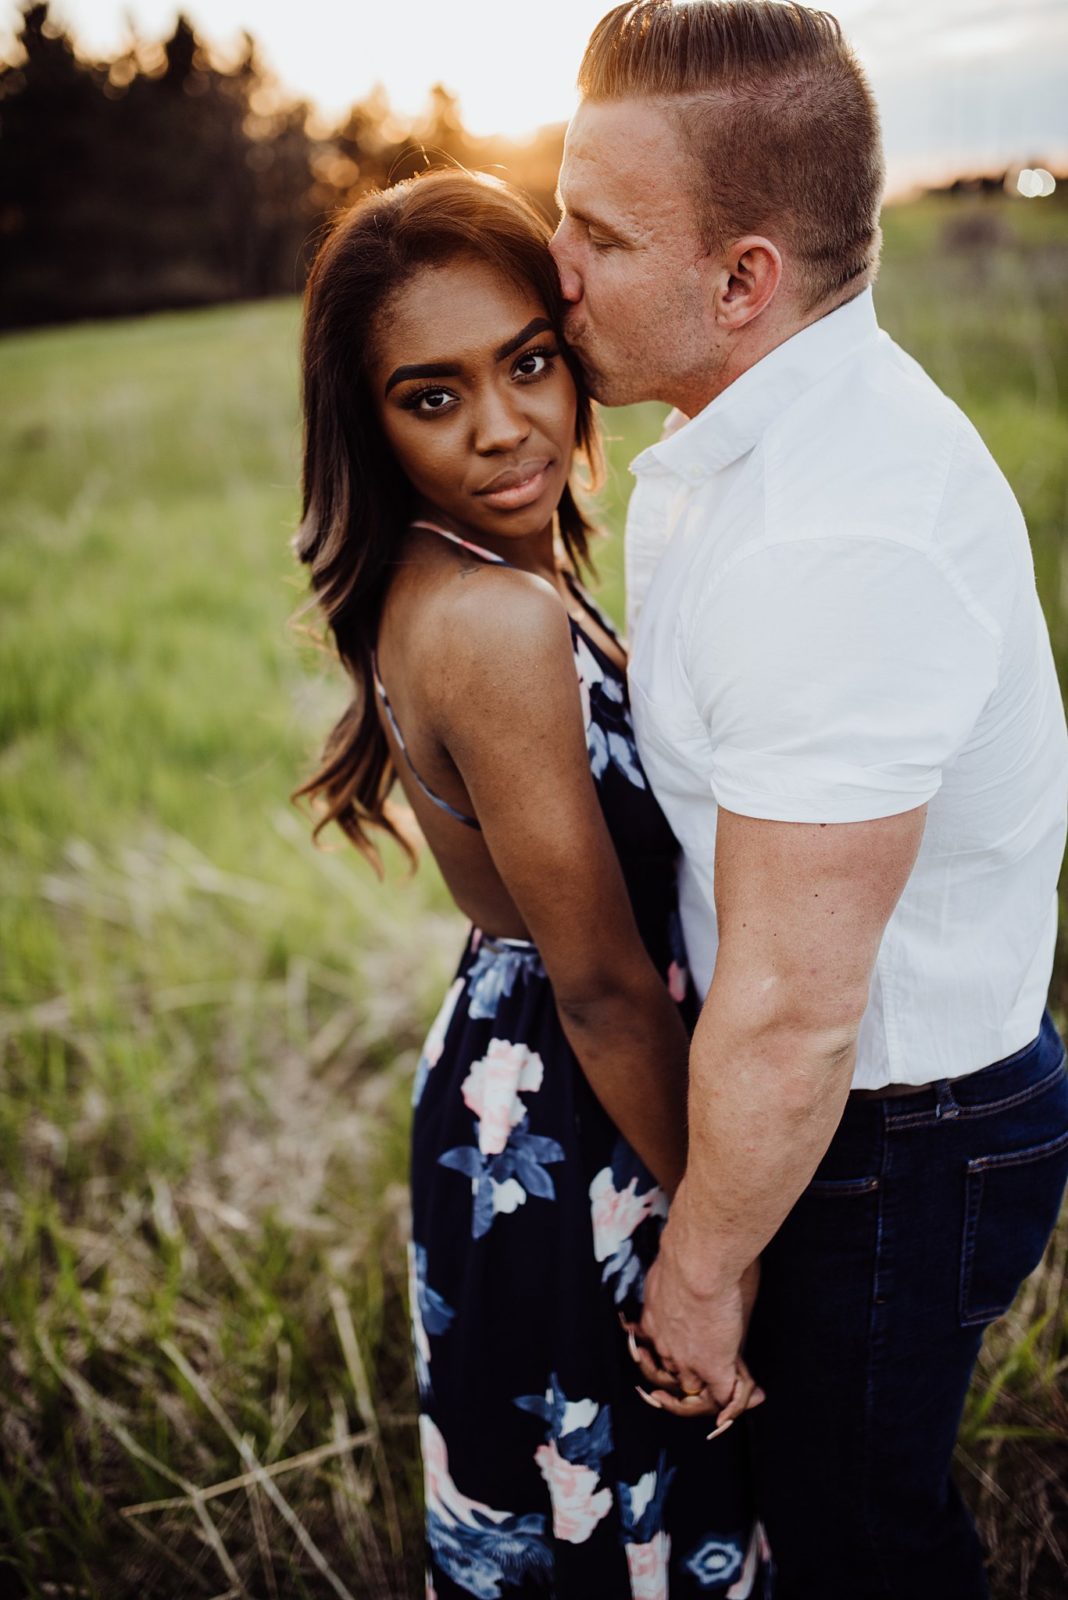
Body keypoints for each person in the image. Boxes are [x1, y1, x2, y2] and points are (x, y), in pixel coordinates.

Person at [550, 3, 1068, 1596]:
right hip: (839, 1120)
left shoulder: (837, 537)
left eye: (596, 233)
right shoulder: (747, 440)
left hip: (895, 1139)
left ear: (742, 280)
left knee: (862, 1544)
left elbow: (793, 1008)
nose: (552, 264)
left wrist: (698, 1276)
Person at [294, 169, 770, 1600]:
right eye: (431, 397)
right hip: (576, 1119)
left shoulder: (482, 565)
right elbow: (609, 986)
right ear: (365, 423)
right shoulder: (489, 617)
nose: (503, 427)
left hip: (534, 1091)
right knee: (623, 1516)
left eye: (529, 363)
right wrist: (719, 1248)